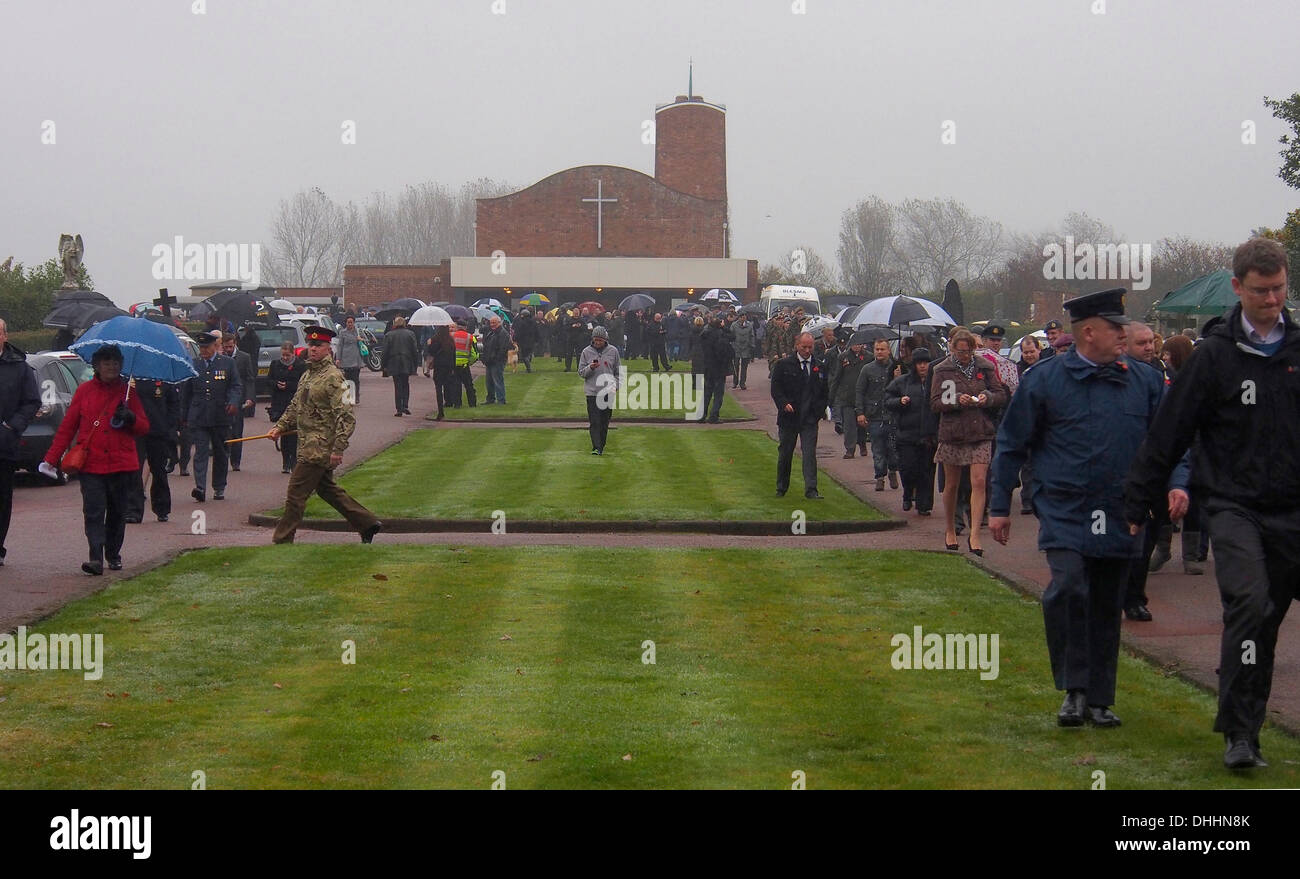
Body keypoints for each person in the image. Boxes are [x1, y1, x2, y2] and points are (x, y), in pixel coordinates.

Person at [1124, 238, 1298, 769]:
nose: (1272, 301)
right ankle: (1240, 735)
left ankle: (1250, 719)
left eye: (1280, 289)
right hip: (1233, 504)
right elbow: (1169, 431)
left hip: (1293, 509)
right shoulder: (1215, 356)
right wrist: (1137, 500)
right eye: (1261, 291)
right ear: (1237, 287)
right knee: (1247, 603)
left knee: (1267, 619)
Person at [990, 288, 1172, 730]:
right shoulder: (1045, 380)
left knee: (1108, 603)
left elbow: (1169, 441)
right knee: (1070, 588)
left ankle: (1100, 699)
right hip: (1066, 508)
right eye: (1117, 329)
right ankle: (1073, 688)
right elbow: (1012, 443)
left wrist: (1177, 485)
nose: (1125, 337)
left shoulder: (1144, 381)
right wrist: (999, 507)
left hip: (1121, 509)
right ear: (1090, 332)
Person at [268, 326, 382, 545]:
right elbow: (295, 405)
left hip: (319, 447)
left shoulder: (334, 377)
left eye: (318, 346)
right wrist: (279, 427)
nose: (313, 350)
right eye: (310, 345)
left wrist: (338, 449)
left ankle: (282, 539)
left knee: (295, 493)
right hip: (307, 443)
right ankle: (367, 523)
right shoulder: (308, 374)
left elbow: (346, 416)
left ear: (328, 349)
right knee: (327, 490)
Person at [40, 346, 149, 575]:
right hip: (92, 464)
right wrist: (50, 459)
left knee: (118, 512)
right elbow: (68, 427)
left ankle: (113, 553)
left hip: (122, 464)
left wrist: (130, 418)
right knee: (93, 511)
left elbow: (144, 426)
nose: (111, 367)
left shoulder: (128, 393)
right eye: (106, 362)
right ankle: (95, 557)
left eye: (115, 363)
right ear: (97, 366)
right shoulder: (84, 392)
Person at [930, 328, 1008, 555]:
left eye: (968, 351)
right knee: (951, 485)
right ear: (952, 348)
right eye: (960, 351)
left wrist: (988, 398)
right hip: (953, 433)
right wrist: (956, 400)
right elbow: (935, 403)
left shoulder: (985, 367)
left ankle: (974, 535)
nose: (964, 355)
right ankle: (950, 529)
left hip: (980, 431)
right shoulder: (942, 370)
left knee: (979, 481)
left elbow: (1000, 395)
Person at [181, 330, 240, 502]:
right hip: (199, 416)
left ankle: (219, 487)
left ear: (215, 346)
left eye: (207, 347)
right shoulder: (194, 364)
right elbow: (186, 392)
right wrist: (183, 416)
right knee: (200, 452)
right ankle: (200, 487)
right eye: (201, 348)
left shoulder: (227, 363)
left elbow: (235, 386)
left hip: (220, 415)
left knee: (221, 452)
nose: (203, 351)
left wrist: (234, 402)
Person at [0, 319, 40, 565]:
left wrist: (11, 426)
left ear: (4, 336)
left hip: (4, 444)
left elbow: (32, 401)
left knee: (2, 499)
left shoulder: (19, 367)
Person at [771, 332, 827, 499]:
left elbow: (825, 391)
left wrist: (818, 411)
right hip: (789, 417)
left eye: (810, 347)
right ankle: (781, 487)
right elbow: (776, 389)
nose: (807, 350)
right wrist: (783, 404)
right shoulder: (783, 365)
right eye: (804, 347)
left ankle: (811, 489)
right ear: (797, 346)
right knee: (785, 453)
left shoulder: (819, 366)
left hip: (810, 418)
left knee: (809, 454)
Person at [885, 347, 938, 515]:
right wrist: (900, 401)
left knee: (926, 471)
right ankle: (908, 493)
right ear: (914, 365)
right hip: (907, 434)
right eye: (919, 363)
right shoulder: (902, 382)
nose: (923, 366)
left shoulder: (937, 381)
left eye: (926, 363)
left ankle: (924, 505)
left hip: (928, 434)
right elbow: (888, 400)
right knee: (908, 468)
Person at [127, 378, 179, 523]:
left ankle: (162, 508)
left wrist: (168, 426)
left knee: (159, 470)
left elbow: (173, 404)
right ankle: (133, 510)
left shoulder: (164, 379)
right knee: (134, 470)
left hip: (157, 430)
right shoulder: (130, 378)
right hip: (135, 429)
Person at [854, 339, 900, 492]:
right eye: (877, 349)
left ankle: (893, 470)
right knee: (878, 448)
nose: (879, 352)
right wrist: (860, 412)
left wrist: (897, 377)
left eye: (882, 349)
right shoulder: (867, 369)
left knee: (893, 448)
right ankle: (880, 476)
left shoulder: (897, 368)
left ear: (888, 351)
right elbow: (860, 391)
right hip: (874, 415)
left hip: (893, 415)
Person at [578, 325, 621, 455]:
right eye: (595, 340)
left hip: (608, 392)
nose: (597, 342)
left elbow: (619, 372)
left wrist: (616, 386)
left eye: (600, 340)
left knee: (604, 422)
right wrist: (590, 367)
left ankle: (601, 445)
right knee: (595, 421)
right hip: (592, 392)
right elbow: (581, 372)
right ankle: (596, 447)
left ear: (605, 340)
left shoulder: (613, 351)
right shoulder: (586, 352)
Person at [828, 335, 870, 459]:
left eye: (859, 344)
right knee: (849, 425)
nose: (857, 346)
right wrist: (832, 396)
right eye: (854, 344)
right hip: (847, 396)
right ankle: (850, 449)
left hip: (863, 397)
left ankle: (862, 443)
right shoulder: (843, 357)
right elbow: (837, 377)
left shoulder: (869, 357)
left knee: (862, 424)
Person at [268, 341, 304, 473]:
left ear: (293, 353)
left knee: (293, 434)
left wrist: (288, 385)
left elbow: (303, 383)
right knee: (282, 433)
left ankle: (294, 461)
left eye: (287, 355)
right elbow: (269, 380)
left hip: (294, 402)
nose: (285, 358)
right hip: (279, 402)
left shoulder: (300, 365)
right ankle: (285, 462)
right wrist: (276, 384)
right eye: (283, 355)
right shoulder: (275, 364)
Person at [221, 332, 255, 471]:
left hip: (239, 400)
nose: (228, 349)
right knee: (223, 431)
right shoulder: (220, 358)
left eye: (230, 346)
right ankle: (223, 457)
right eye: (226, 347)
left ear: (235, 343)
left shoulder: (244, 357)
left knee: (237, 431)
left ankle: (236, 462)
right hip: (223, 400)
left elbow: (249, 379)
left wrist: (249, 397)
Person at [380, 316, 419, 416]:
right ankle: (405, 405)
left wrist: (383, 365)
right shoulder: (410, 334)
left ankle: (399, 408)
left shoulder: (389, 335)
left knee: (397, 385)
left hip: (394, 362)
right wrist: (415, 363)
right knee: (405, 383)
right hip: (407, 361)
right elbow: (414, 350)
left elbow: (385, 352)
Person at [479, 315, 511, 405]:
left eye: (494, 323)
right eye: (491, 323)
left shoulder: (503, 333)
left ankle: (501, 400)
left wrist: (496, 358)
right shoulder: (491, 332)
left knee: (498, 381)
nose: (492, 324)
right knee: (489, 382)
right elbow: (487, 345)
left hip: (497, 361)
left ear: (499, 323)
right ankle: (490, 399)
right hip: (489, 361)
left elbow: (503, 348)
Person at [450, 321, 478, 408]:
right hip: (464, 365)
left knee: (456, 385)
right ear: (465, 327)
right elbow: (474, 355)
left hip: (454, 364)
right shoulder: (470, 337)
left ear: (457, 327)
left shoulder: (451, 336)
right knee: (469, 385)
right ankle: (472, 404)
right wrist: (469, 362)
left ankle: (457, 404)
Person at [337, 315, 363, 400]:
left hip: (356, 358)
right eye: (348, 322)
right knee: (346, 379)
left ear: (354, 322)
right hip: (345, 358)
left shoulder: (358, 331)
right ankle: (347, 397)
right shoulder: (342, 332)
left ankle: (356, 396)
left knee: (355, 379)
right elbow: (340, 346)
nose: (350, 324)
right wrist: (338, 358)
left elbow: (366, 341)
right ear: (346, 323)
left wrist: (360, 339)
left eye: (351, 322)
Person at [731, 312, 756, 389]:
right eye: (742, 317)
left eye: (744, 317)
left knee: (744, 367)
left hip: (746, 348)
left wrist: (752, 345)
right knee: (736, 366)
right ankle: (735, 382)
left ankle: (742, 383)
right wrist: (731, 345)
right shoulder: (734, 325)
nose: (743, 318)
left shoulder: (749, 325)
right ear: (739, 317)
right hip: (736, 348)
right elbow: (731, 335)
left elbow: (752, 336)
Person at [513, 308, 539, 373]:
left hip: (524, 341)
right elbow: (537, 331)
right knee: (529, 353)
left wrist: (514, 339)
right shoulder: (533, 322)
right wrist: (537, 340)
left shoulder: (522, 323)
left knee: (524, 355)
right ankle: (529, 364)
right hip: (532, 341)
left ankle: (528, 368)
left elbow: (518, 332)